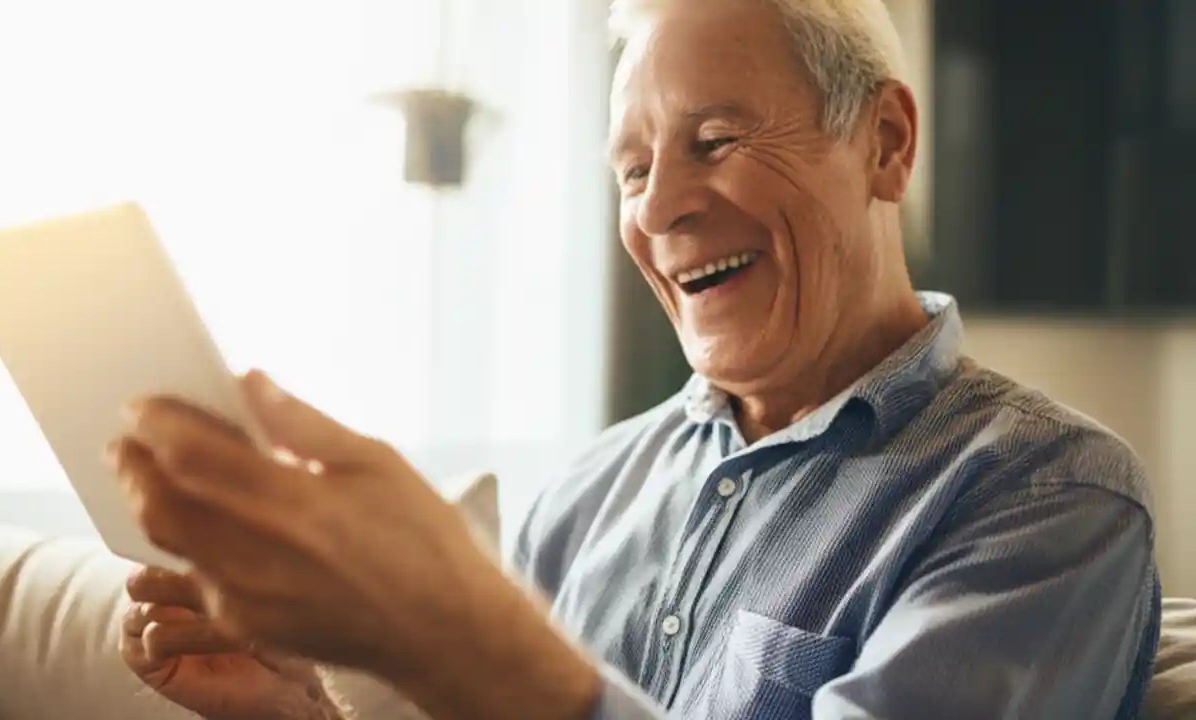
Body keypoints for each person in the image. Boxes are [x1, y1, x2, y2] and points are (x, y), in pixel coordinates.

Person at [106, 0, 1161, 718]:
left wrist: (468, 652)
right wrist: (299, 709)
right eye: (630, 167)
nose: (657, 207)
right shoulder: (585, 493)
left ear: (883, 141)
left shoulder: (1044, 498)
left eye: (713, 140)